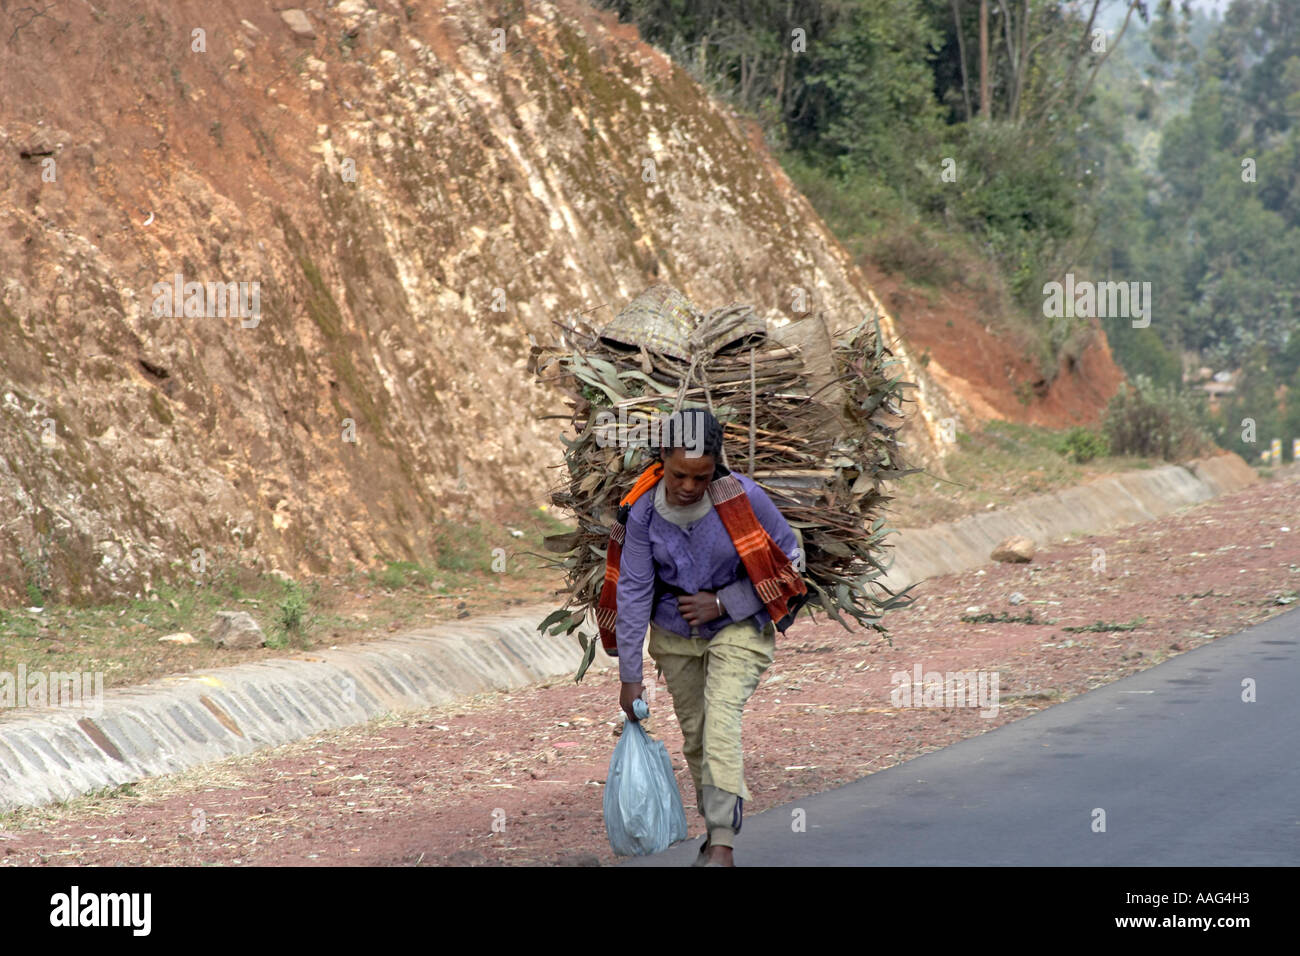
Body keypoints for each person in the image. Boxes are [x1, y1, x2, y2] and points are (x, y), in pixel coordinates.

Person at [614, 407, 803, 866]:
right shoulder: (641, 512)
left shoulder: (744, 500)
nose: (689, 487)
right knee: (696, 737)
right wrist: (630, 676)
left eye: (701, 477)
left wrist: (723, 603)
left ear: (715, 467)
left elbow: (791, 563)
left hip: (739, 626)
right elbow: (635, 590)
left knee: (720, 719)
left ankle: (722, 843)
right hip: (674, 635)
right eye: (680, 475)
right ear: (663, 459)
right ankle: (714, 831)